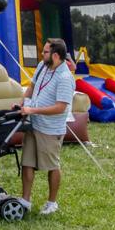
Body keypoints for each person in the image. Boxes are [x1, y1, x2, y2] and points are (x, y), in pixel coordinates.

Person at [20, 38, 75, 215]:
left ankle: (52, 203)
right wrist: (21, 104)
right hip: (33, 123)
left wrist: (33, 110)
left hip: (50, 130)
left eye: (45, 52)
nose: (42, 54)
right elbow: (32, 87)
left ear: (56, 55)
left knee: (52, 166)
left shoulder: (65, 78)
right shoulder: (42, 66)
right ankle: (25, 200)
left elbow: (60, 107)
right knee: (27, 163)